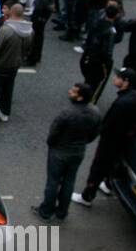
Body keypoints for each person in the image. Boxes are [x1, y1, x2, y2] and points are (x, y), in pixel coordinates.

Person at [73, 69, 136, 208]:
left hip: (110, 141)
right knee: (112, 164)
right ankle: (107, 184)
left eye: (118, 77)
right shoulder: (135, 96)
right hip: (123, 139)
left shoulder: (121, 103)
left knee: (98, 167)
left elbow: (108, 124)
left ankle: (87, 196)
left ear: (126, 82)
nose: (115, 79)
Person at [33, 82, 101, 223]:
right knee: (69, 182)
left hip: (59, 152)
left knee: (53, 182)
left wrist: (53, 145)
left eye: (74, 92)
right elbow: (94, 133)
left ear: (80, 97)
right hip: (78, 152)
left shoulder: (66, 113)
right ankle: (62, 212)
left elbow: (53, 135)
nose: (70, 92)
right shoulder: (95, 112)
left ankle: (46, 211)